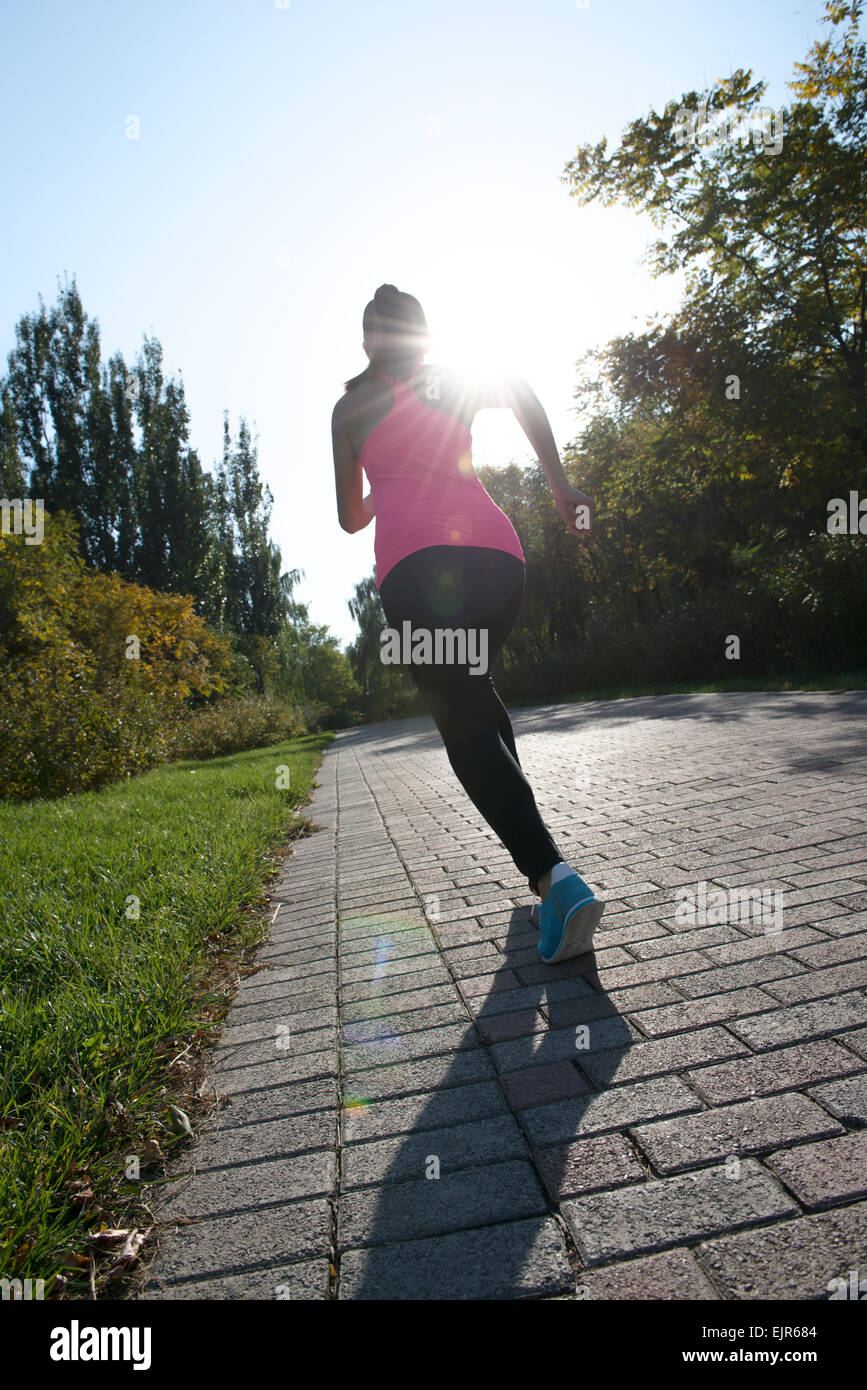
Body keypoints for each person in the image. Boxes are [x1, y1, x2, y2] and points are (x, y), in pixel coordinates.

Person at [331, 283, 605, 964]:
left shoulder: (349, 409)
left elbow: (349, 517)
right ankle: (541, 875)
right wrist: (558, 484)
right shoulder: (450, 381)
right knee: (472, 693)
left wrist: (382, 478)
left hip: (420, 573)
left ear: (367, 341)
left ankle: (555, 879)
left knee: (458, 716)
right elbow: (518, 388)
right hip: (497, 558)